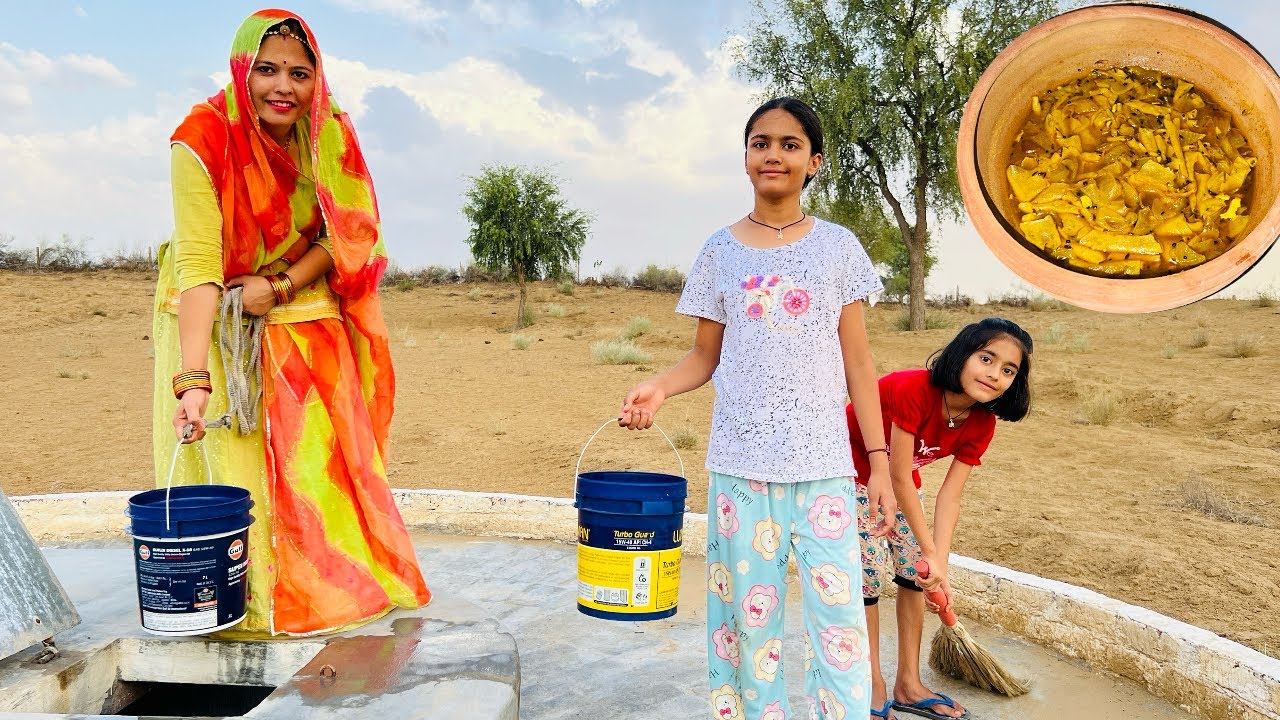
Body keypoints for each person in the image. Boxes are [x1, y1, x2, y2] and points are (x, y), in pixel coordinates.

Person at [152, 10, 430, 637]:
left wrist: (278, 285)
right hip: (213, 323)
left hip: (302, 312)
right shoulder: (199, 139)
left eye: (300, 74)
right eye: (267, 70)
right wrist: (192, 377)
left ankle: (325, 593)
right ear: (241, 70)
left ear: (318, 79)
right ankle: (244, 605)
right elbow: (199, 263)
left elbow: (352, 235)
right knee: (239, 465)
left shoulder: (329, 131)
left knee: (316, 468)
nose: (284, 87)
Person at [619, 96, 898, 720]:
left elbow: (859, 363)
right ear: (746, 158)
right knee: (748, 624)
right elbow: (703, 356)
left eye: (790, 144)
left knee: (840, 625)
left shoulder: (839, 249)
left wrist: (877, 463)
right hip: (741, 468)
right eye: (761, 142)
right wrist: (660, 387)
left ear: (814, 162)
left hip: (824, 465)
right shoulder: (719, 251)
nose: (774, 154)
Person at [847, 318, 1033, 719]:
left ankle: (908, 684)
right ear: (961, 354)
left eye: (1007, 370)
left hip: (898, 480)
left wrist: (938, 562)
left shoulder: (982, 422)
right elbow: (896, 472)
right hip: (846, 470)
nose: (994, 374)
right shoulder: (915, 388)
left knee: (916, 571)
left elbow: (950, 495)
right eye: (986, 358)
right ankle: (872, 684)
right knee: (867, 576)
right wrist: (929, 547)